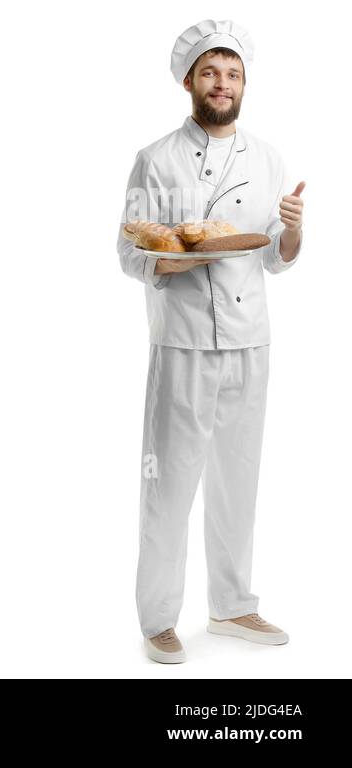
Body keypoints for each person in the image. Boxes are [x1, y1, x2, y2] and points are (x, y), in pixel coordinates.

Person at [119, 20, 305, 664]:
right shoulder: (156, 157)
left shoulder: (269, 158)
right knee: (167, 483)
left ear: (244, 84)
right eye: (209, 73)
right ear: (188, 82)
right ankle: (158, 619)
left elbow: (277, 261)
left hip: (252, 339)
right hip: (183, 342)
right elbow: (129, 251)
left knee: (238, 479)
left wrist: (293, 230)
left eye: (231, 74)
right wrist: (165, 260)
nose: (221, 84)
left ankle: (233, 605)